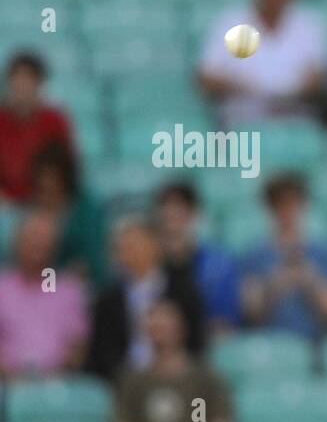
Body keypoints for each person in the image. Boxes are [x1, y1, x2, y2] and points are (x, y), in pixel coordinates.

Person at [112, 299, 236, 422]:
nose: (160, 334)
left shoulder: (201, 380)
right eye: (154, 328)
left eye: (165, 327)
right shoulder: (135, 382)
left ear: (181, 329)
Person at [197, 0, 327, 125]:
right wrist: (243, 88)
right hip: (241, 120)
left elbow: (319, 77)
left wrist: (292, 94)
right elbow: (206, 77)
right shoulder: (230, 21)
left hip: (295, 119)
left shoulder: (310, 24)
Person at [87, 216, 206, 381]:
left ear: (155, 246)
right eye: (122, 248)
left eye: (133, 246)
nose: (126, 253)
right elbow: (101, 352)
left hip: (176, 379)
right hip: (126, 382)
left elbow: (196, 340)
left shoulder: (182, 290)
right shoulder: (108, 299)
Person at [240, 173, 327, 341]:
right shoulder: (254, 255)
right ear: (269, 209)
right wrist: (275, 284)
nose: (286, 212)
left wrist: (310, 280)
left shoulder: (325, 252)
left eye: (293, 204)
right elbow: (252, 311)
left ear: (303, 205)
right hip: (270, 343)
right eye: (279, 205)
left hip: (317, 342)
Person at [0, 210, 89, 378]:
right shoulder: (3, 286)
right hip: (6, 384)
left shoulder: (66, 288)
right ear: (17, 243)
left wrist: (57, 371)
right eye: (32, 239)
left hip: (57, 385)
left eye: (44, 241)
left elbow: (78, 344)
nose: (38, 246)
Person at [154, 183, 243, 333]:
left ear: (193, 213)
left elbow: (224, 321)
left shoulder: (218, 265)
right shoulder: (149, 262)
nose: (172, 215)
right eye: (167, 208)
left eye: (180, 208)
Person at [28, 143, 107, 288]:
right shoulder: (31, 207)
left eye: (52, 176)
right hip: (36, 288)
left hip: (81, 286)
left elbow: (93, 260)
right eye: (43, 176)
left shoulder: (88, 210)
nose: (47, 183)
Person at [0, 53, 75, 203]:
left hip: (47, 203)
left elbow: (67, 168)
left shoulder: (54, 120)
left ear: (40, 83)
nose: (21, 86)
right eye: (17, 79)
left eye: (28, 79)